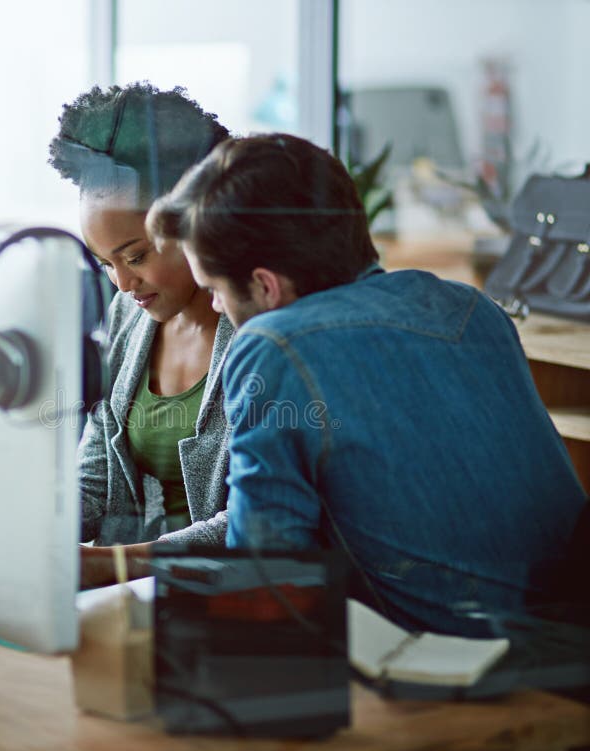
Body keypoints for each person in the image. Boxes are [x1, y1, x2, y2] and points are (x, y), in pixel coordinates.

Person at [146, 133, 588, 636]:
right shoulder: (473, 309)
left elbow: (269, 583)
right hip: (569, 645)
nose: (218, 308)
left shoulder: (273, 345)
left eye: (214, 291)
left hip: (452, 671)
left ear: (266, 286)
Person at [48, 83, 234, 586]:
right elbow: (97, 468)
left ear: (199, 219)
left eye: (136, 256)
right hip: (124, 600)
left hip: (214, 604)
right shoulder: (128, 315)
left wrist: (112, 566)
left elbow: (255, 525)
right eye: (106, 263)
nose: (123, 284)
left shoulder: (259, 332)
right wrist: (37, 533)